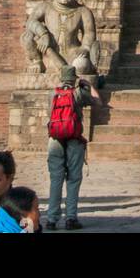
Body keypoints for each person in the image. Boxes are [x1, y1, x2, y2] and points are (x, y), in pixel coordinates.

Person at [45, 65, 99, 231]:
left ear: (61, 78)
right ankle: (70, 218)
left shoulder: (53, 94)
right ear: (74, 78)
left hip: (55, 138)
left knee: (56, 179)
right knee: (73, 179)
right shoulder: (78, 93)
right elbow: (98, 102)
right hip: (74, 138)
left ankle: (52, 219)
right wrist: (89, 85)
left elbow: (50, 114)